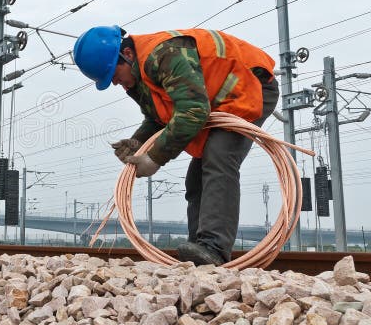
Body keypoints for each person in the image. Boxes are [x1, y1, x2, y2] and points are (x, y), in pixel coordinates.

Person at [73, 26, 278, 266]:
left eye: (114, 74)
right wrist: (138, 142)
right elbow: (158, 118)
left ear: (127, 54)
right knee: (196, 177)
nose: (116, 83)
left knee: (219, 156)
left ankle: (214, 248)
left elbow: (193, 110)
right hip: (216, 101)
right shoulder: (137, 77)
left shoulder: (165, 55)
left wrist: (155, 158)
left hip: (249, 85)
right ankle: (200, 251)